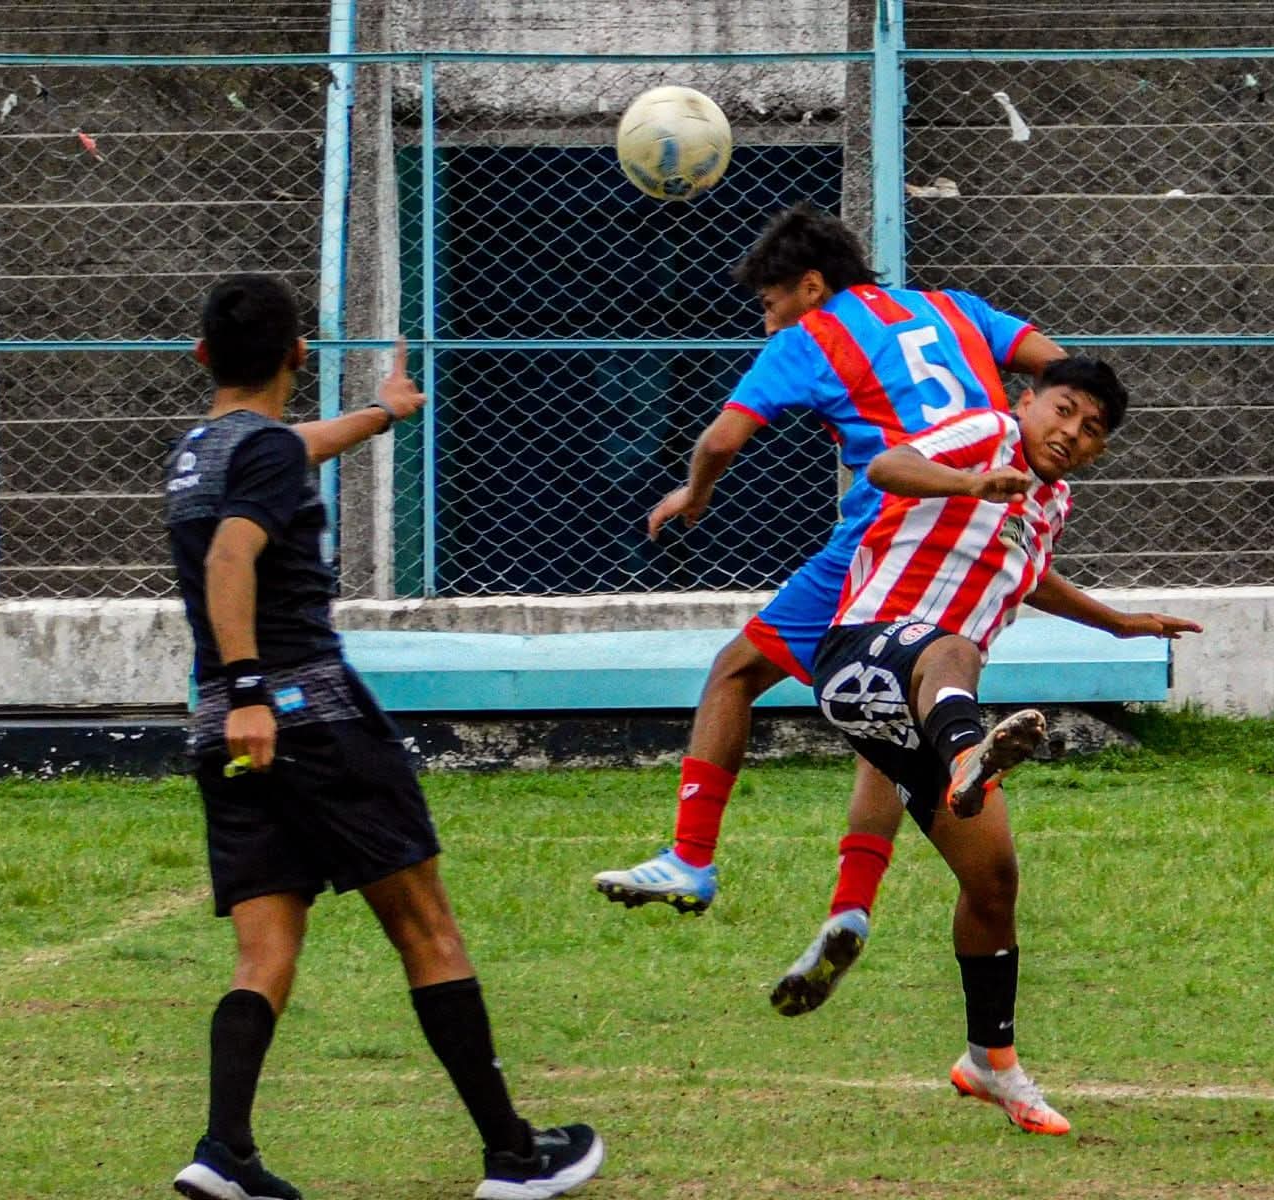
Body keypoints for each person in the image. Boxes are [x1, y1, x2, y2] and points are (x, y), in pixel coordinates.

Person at [165, 276, 602, 1200]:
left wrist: (378, 415)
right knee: (425, 926)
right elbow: (232, 554)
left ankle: (225, 1154)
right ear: (298, 355)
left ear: (202, 357)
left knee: (263, 952)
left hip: (224, 732)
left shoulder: (201, 451)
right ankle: (514, 1157)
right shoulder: (268, 458)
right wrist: (254, 689)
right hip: (305, 716)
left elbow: (285, 454)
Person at [593, 203, 1066, 916]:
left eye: (770, 301)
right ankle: (851, 909)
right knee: (885, 710)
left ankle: (690, 858)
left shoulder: (814, 334)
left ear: (811, 287)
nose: (767, 321)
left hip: (891, 529)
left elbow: (722, 439)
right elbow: (1058, 366)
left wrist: (694, 492)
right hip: (977, 531)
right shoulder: (952, 307)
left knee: (736, 670)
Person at [770, 359, 1201, 1136]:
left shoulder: (1052, 502)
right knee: (951, 649)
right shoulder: (989, 434)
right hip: (865, 652)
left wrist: (1121, 622)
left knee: (995, 882)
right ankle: (968, 757)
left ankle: (989, 1064)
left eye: (1093, 430)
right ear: (1026, 401)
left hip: (924, 703)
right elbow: (885, 464)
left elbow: (1031, 578)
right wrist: (970, 483)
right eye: (1064, 411)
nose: (1071, 434)